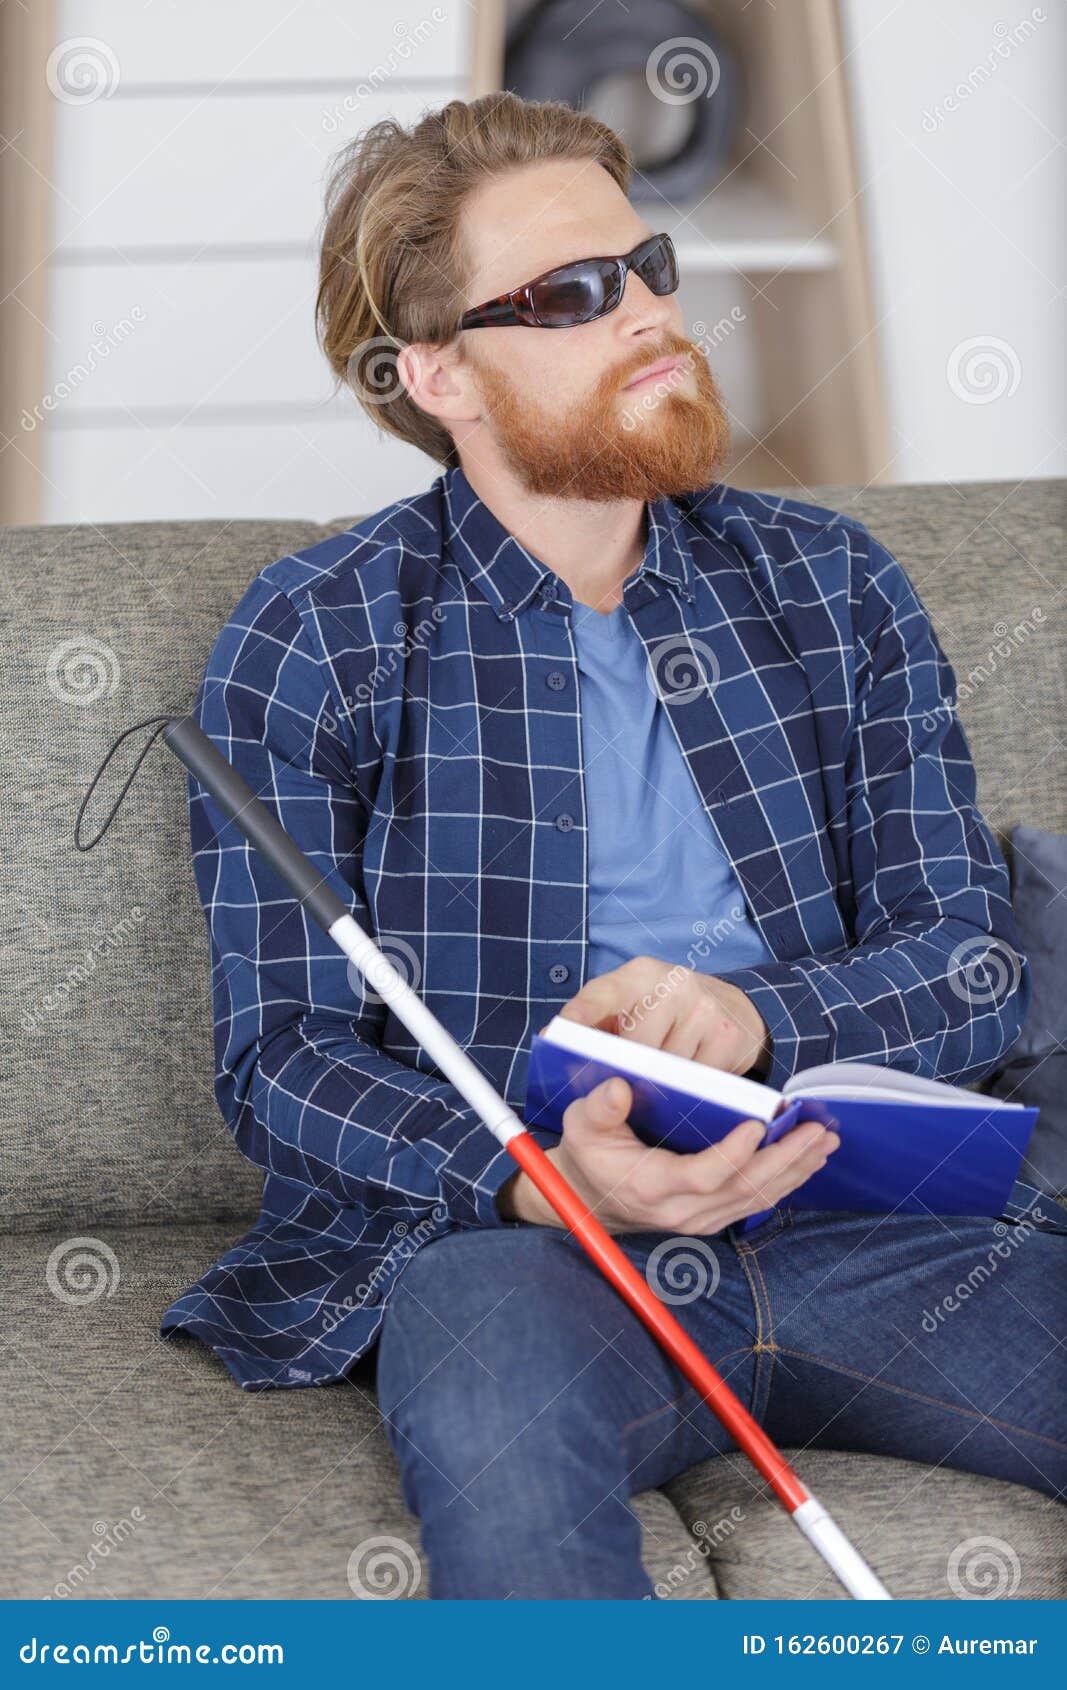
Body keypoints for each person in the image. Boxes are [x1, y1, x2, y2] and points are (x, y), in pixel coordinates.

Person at [160, 92, 1066, 1598]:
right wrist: (531, 1175)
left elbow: (973, 964)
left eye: (646, 265)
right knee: (510, 1494)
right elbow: (279, 1058)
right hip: (522, 1256)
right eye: (577, 295)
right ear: (436, 369)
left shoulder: (834, 587)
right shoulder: (313, 635)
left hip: (857, 1215)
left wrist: (763, 1013)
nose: (650, 313)